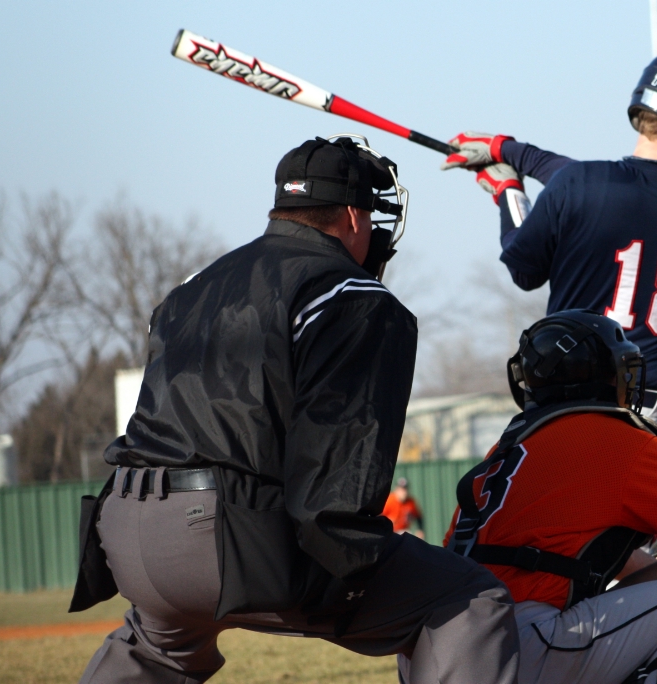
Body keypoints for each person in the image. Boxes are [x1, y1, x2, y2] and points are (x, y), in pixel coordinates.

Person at [70, 135, 519, 684]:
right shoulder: (350, 293)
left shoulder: (192, 287)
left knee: (159, 643)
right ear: (354, 216)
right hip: (224, 539)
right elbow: (337, 469)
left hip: (125, 531)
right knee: (468, 596)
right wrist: (349, 569)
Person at [441, 48, 657, 458]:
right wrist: (509, 149)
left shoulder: (579, 187)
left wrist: (507, 190)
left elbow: (525, 269)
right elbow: (598, 183)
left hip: (575, 413)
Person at [440, 310, 657, 684]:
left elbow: (563, 556)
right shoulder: (615, 439)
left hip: (436, 649)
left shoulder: (509, 447)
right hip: (516, 646)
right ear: (607, 375)